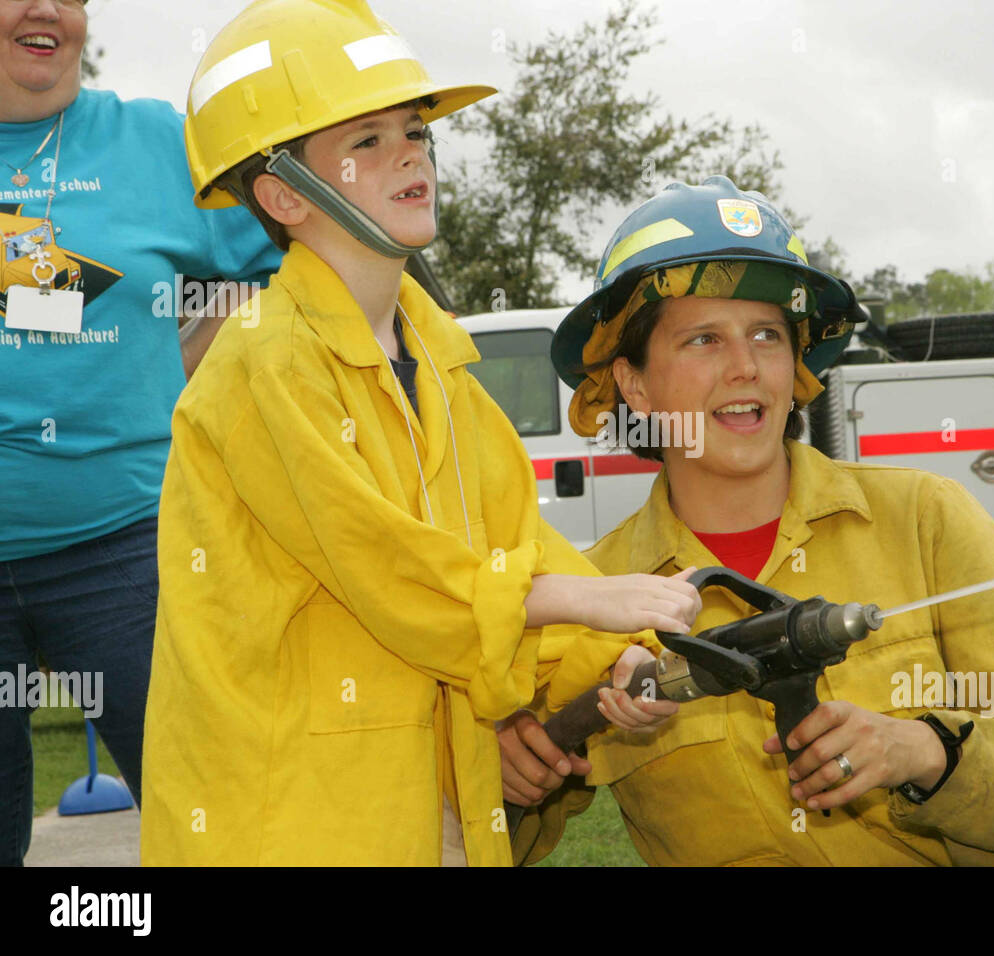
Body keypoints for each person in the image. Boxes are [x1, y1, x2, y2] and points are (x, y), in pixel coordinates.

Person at [140, 0, 699, 867]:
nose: (410, 152)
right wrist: (587, 600)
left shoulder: (439, 364)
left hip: (423, 801)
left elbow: (518, 543)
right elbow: (386, 565)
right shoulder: (260, 361)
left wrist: (616, 660)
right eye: (364, 139)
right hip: (285, 820)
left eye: (413, 130)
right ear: (285, 194)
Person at [509, 176, 994, 866]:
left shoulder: (924, 519)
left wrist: (927, 752)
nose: (746, 367)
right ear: (634, 384)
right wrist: (510, 774)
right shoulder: (591, 595)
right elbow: (494, 830)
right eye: (703, 341)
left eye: (767, 336)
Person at [0, 0, 281, 865]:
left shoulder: (159, 142)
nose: (48, 8)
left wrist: (189, 349)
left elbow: (286, 256)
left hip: (131, 549)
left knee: (213, 821)